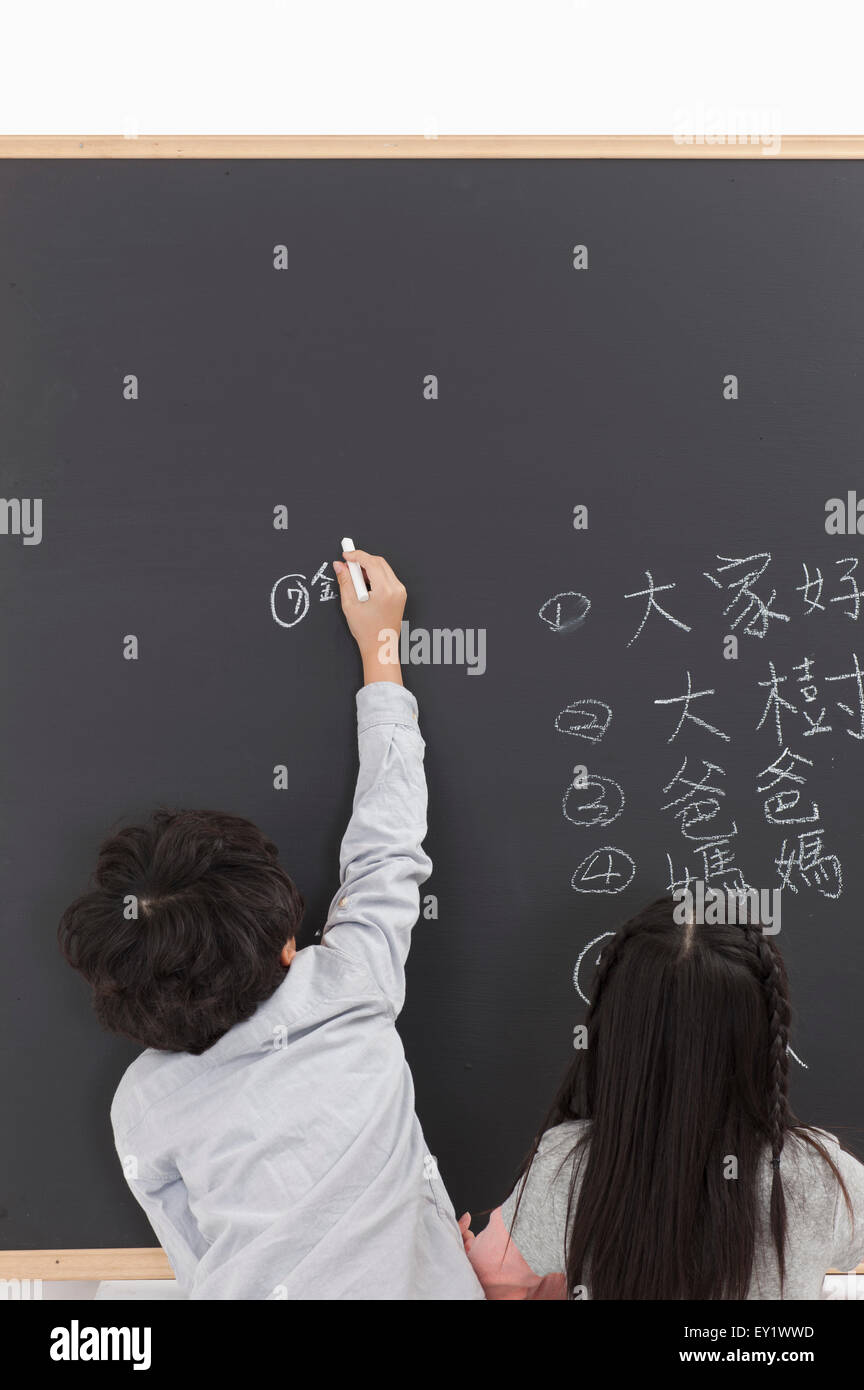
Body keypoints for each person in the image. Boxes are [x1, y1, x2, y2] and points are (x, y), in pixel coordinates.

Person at [58, 547, 483, 1301]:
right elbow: (388, 846)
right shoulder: (348, 988)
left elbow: (194, 1255)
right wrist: (381, 650)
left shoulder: (143, 1108)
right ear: (290, 944)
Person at [463, 897, 864, 1299]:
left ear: (614, 1031)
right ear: (765, 1035)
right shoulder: (822, 1177)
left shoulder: (565, 1169)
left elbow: (490, 1282)